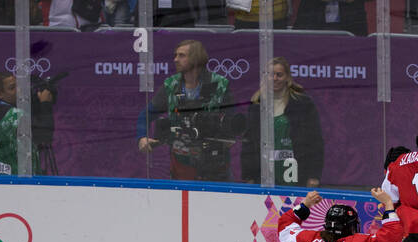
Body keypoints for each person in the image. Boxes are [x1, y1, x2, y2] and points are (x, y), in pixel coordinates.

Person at [137, 39, 246, 182]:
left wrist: (229, 137)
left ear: (196, 59)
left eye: (182, 56)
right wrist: (142, 137)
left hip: (215, 166)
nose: (176, 59)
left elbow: (232, 120)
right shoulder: (171, 85)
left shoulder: (219, 84)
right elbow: (145, 115)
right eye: (175, 55)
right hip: (181, 165)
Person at [240, 58, 325, 189]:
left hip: (297, 176)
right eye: (270, 74)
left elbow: (315, 141)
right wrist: (248, 176)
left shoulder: (303, 103)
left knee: (296, 210)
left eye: (279, 75)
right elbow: (249, 144)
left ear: (287, 77)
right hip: (264, 177)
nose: (274, 78)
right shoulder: (257, 105)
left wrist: (314, 175)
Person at [0, 71, 52, 177]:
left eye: (19, 86)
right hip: (14, 182)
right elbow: (45, 136)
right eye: (12, 88)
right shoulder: (16, 115)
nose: (18, 91)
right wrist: (45, 104)